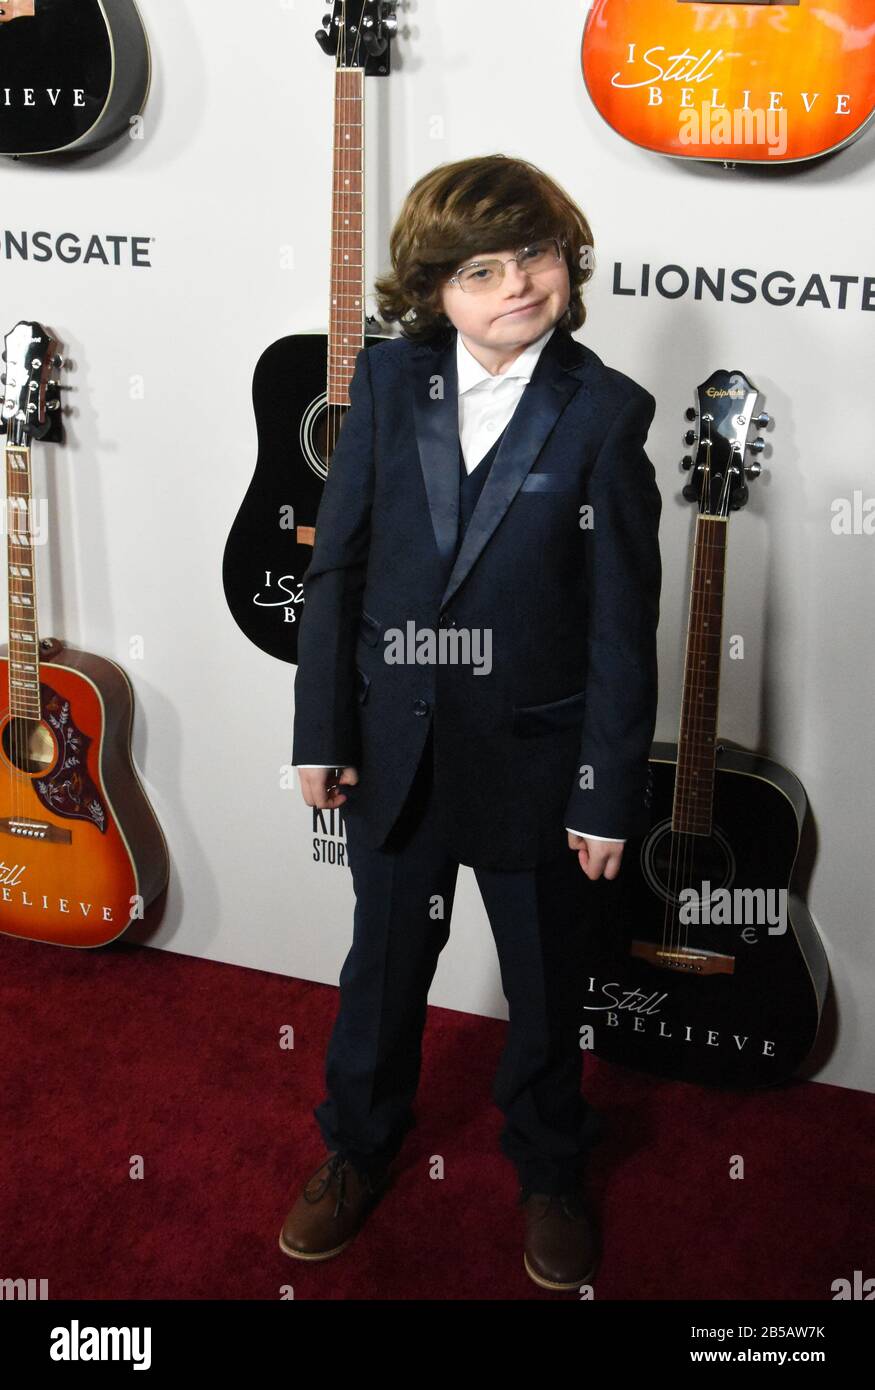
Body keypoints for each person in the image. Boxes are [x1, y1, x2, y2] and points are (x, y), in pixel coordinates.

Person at [280, 154, 662, 1292]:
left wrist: (603, 787)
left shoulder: (602, 411)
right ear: (431, 288)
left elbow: (618, 623)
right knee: (382, 971)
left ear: (568, 261)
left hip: (538, 761)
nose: (514, 285)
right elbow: (337, 564)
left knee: (548, 986)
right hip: (395, 747)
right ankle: (354, 1147)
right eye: (480, 268)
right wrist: (320, 729)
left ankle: (549, 1165)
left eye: (534, 255)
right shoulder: (389, 384)